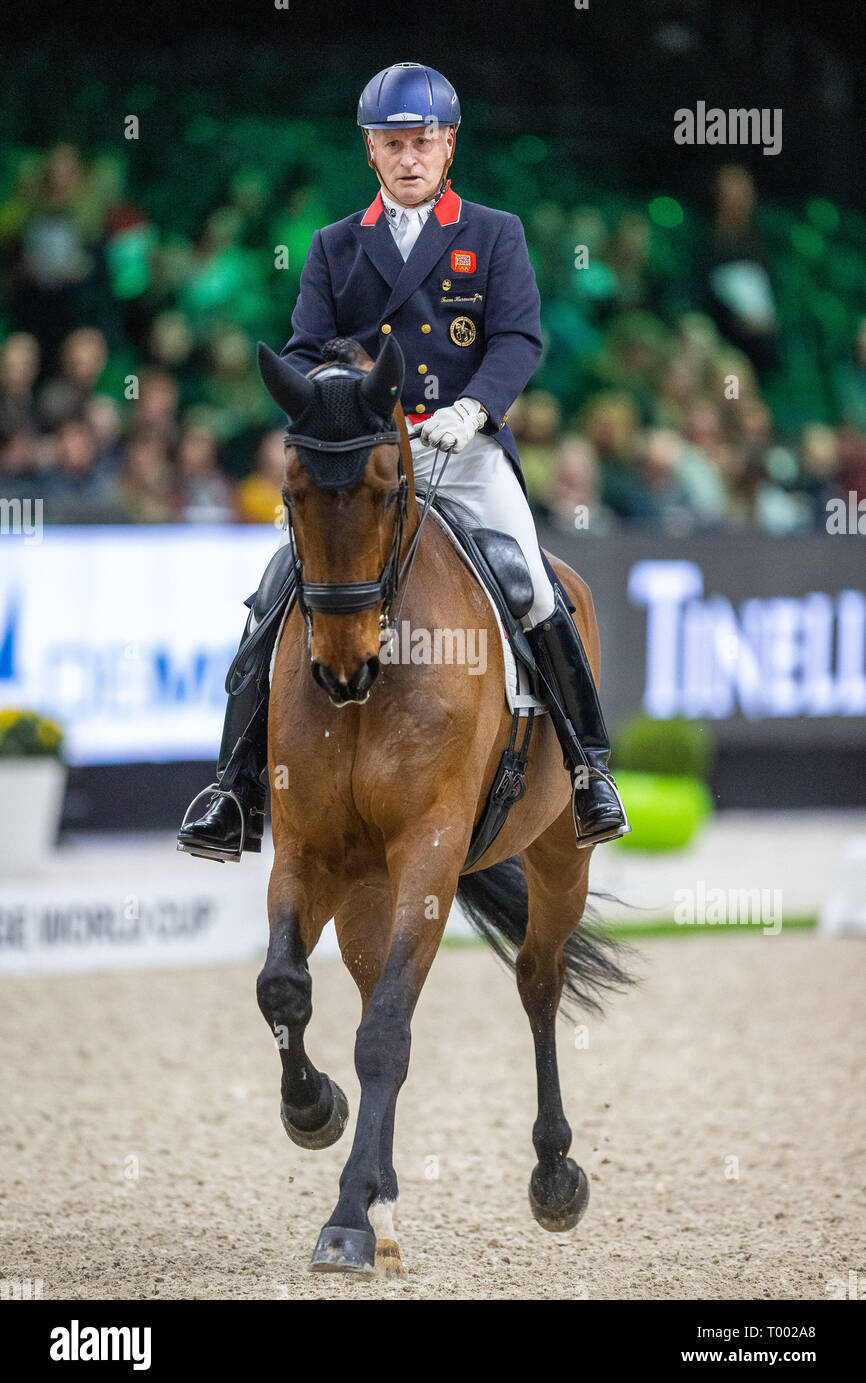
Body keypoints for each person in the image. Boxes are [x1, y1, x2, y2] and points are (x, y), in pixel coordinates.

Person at [178, 62, 629, 862]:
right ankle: (232, 787)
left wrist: (474, 407)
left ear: (449, 144)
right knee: (273, 596)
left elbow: (519, 339)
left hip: (466, 447)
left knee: (530, 583)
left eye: (423, 141)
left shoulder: (494, 233)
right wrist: (336, 404)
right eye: (394, 144)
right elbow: (304, 352)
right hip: (368, 463)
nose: (410, 157)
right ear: (371, 152)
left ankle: (590, 769)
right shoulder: (333, 246)